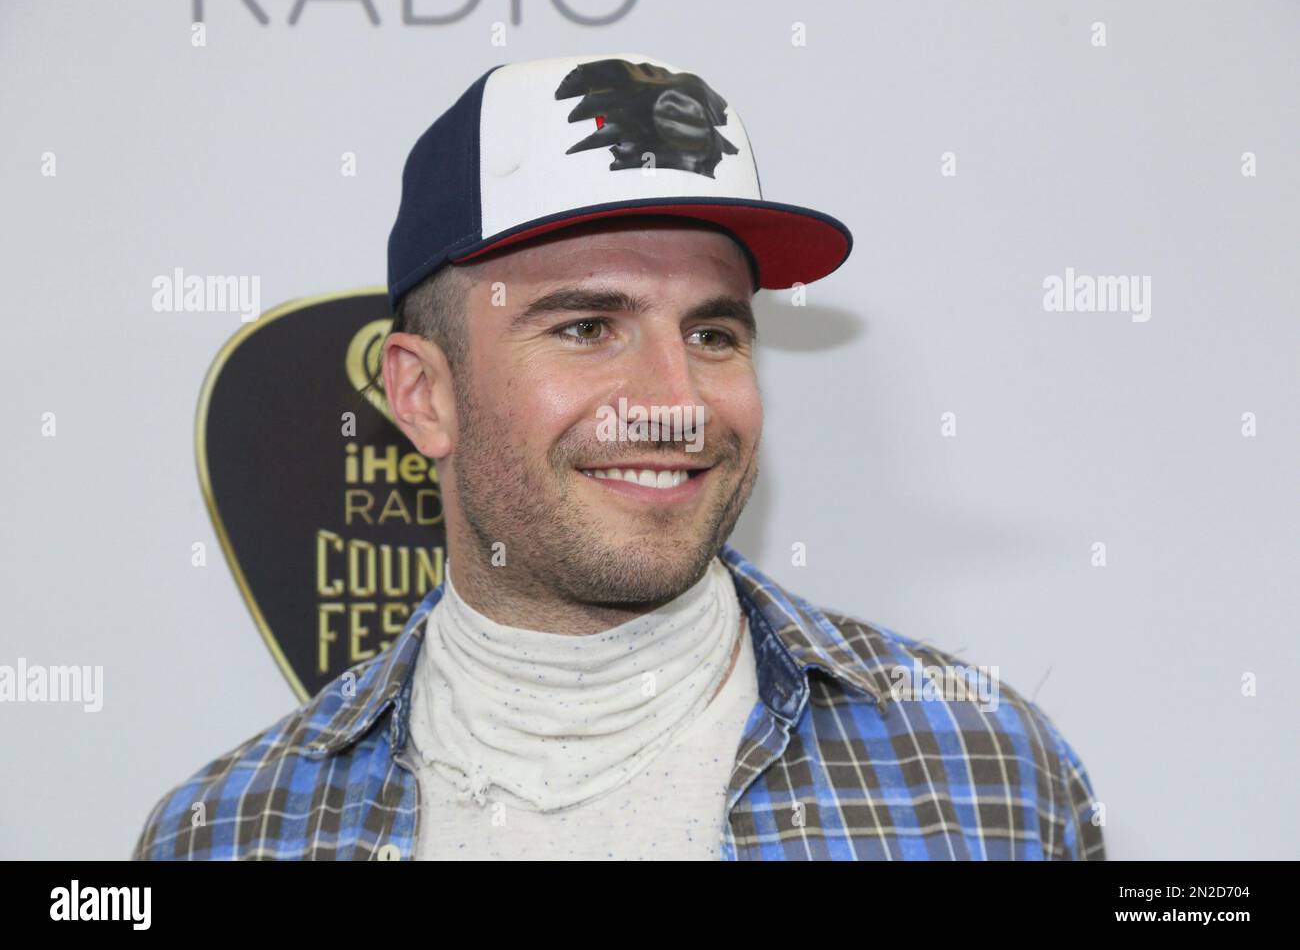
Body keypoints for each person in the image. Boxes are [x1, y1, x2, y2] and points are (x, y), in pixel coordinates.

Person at [133, 52, 1104, 860]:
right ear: (423, 395)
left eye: (715, 334)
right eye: (589, 325)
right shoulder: (230, 833)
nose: (676, 402)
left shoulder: (986, 777)